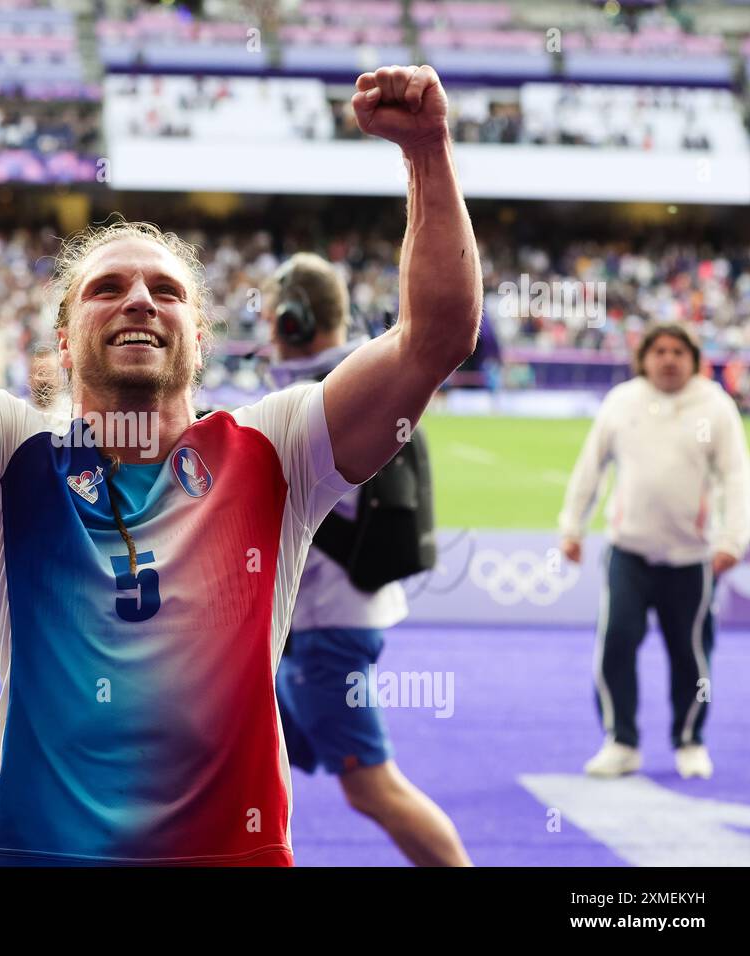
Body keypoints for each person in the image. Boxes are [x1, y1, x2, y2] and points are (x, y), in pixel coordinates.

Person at [0, 39, 481, 866]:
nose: (139, 298)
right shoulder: (5, 456)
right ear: (64, 342)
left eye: (165, 289)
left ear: (198, 336)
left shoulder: (279, 449)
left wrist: (427, 152)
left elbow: (438, 336)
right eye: (107, 288)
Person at [266, 252, 471, 866]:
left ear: (291, 320)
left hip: (326, 620)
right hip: (331, 616)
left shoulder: (311, 390)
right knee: (234, 750)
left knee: (371, 786)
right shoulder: (358, 375)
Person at [559, 322, 750, 779]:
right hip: (629, 552)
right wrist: (571, 527)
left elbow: (736, 477)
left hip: (691, 559)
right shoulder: (621, 401)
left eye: (678, 352)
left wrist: (733, 539)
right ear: (643, 358)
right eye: (659, 351)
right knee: (616, 644)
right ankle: (620, 741)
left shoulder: (715, 406)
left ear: (694, 359)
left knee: (691, 654)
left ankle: (690, 740)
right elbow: (591, 468)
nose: (668, 359)